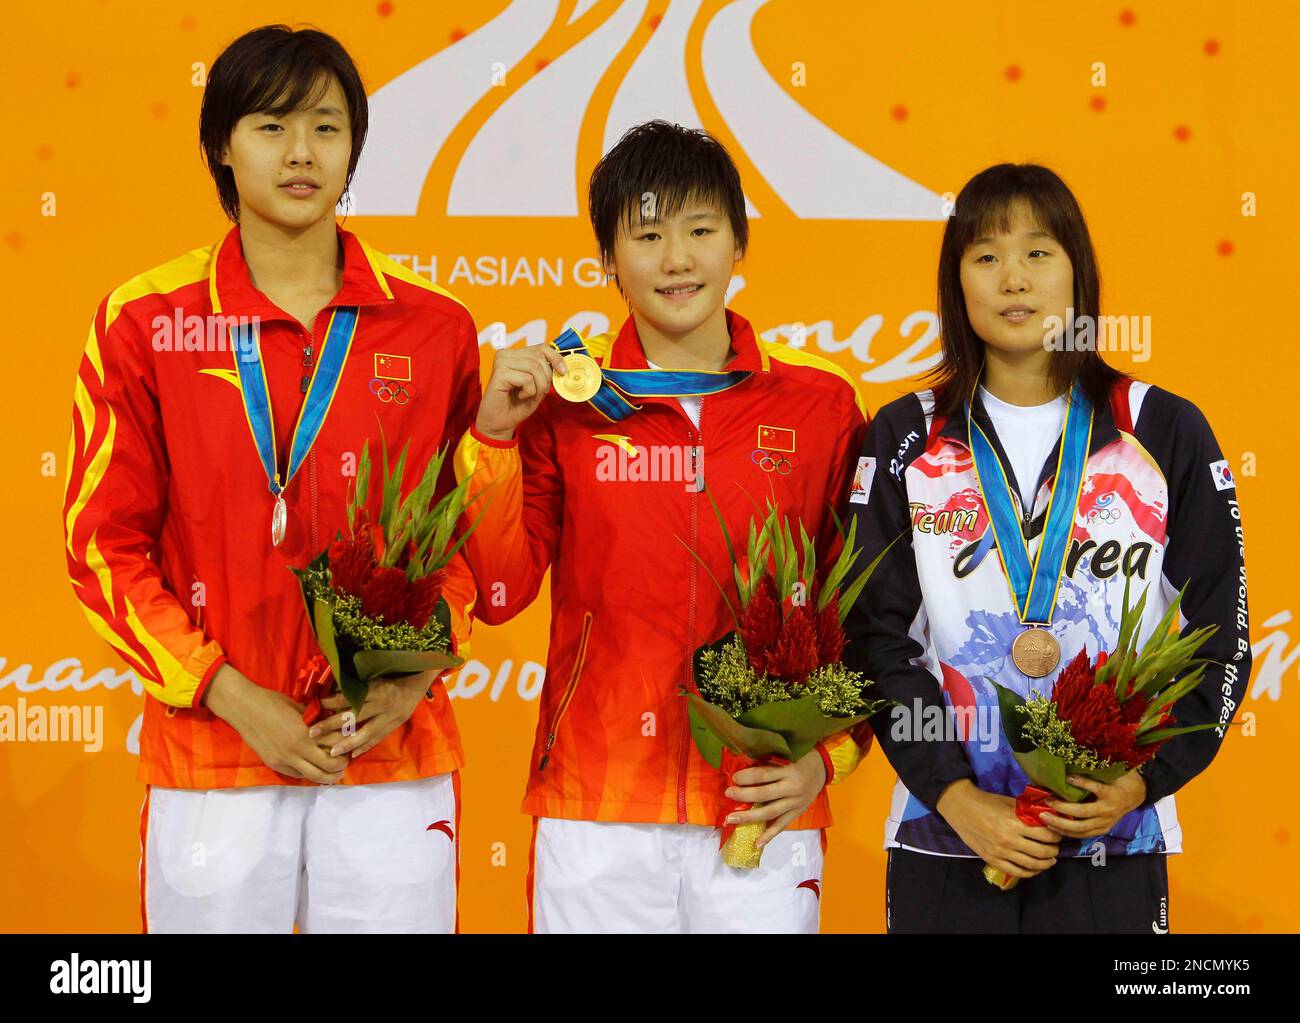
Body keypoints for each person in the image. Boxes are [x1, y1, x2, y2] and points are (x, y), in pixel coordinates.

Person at [62, 24, 481, 933]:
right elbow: (101, 548)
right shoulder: (145, 322)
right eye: (270, 126)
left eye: (327, 128)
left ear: (354, 150)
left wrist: (409, 679)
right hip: (214, 754)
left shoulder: (435, 328)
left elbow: (466, 541)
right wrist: (231, 693)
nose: (301, 153)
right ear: (222, 142)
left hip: (390, 759)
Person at [454, 121, 873, 933]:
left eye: (701, 230)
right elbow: (501, 593)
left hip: (759, 805)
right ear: (608, 261)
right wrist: (494, 441)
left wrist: (826, 759)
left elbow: (868, 619)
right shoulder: (565, 411)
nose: (677, 259)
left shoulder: (821, 408)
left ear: (739, 243)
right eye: (647, 235)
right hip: (596, 809)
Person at [844, 163, 1250, 933]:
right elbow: (874, 638)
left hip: (1113, 844)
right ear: (955, 279)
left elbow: (1220, 642)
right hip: (947, 839)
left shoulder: (1162, 430)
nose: (1013, 278)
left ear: (1078, 274)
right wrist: (958, 797)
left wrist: (1140, 783)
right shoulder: (906, 436)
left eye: (1039, 252)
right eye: (986, 255)